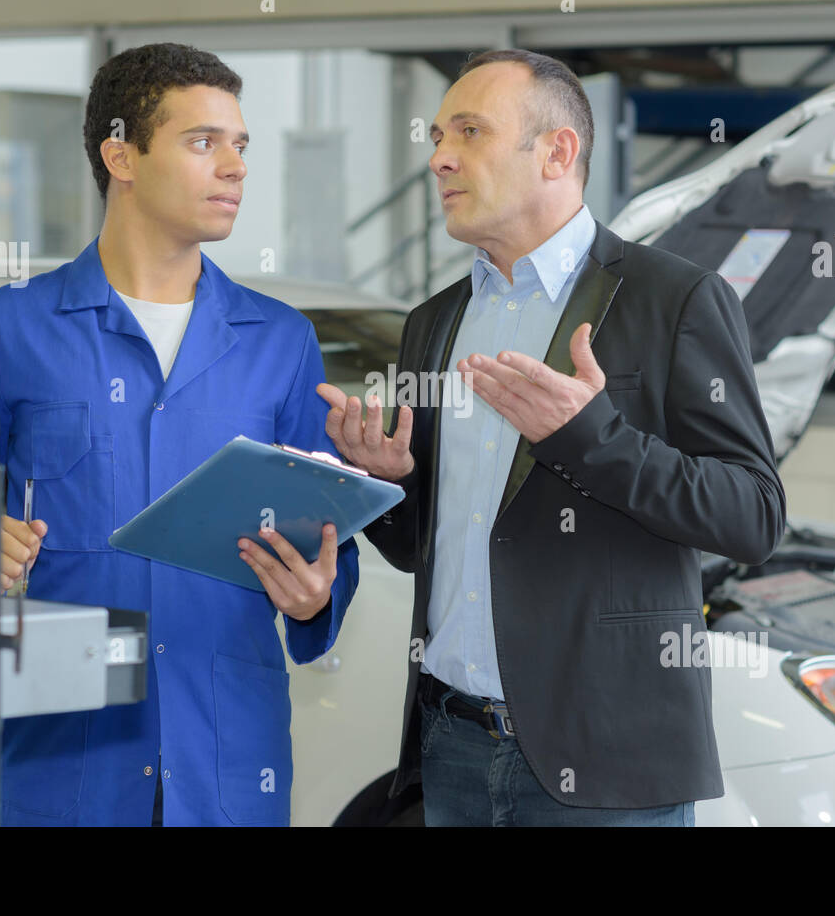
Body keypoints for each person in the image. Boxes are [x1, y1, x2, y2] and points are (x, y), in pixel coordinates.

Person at [317, 49, 784, 826]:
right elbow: (420, 547)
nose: (438, 157)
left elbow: (753, 515)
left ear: (558, 151)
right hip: (451, 748)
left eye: (469, 131)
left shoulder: (675, 300)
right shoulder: (431, 323)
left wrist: (589, 436)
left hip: (607, 766)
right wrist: (387, 482)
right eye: (437, 135)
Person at [0, 43, 359, 826]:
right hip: (60, 771)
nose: (236, 166)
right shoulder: (5, 331)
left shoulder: (280, 342)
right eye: (203, 142)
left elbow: (326, 538)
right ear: (122, 155)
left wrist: (318, 596)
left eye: (240, 145)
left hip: (227, 772)